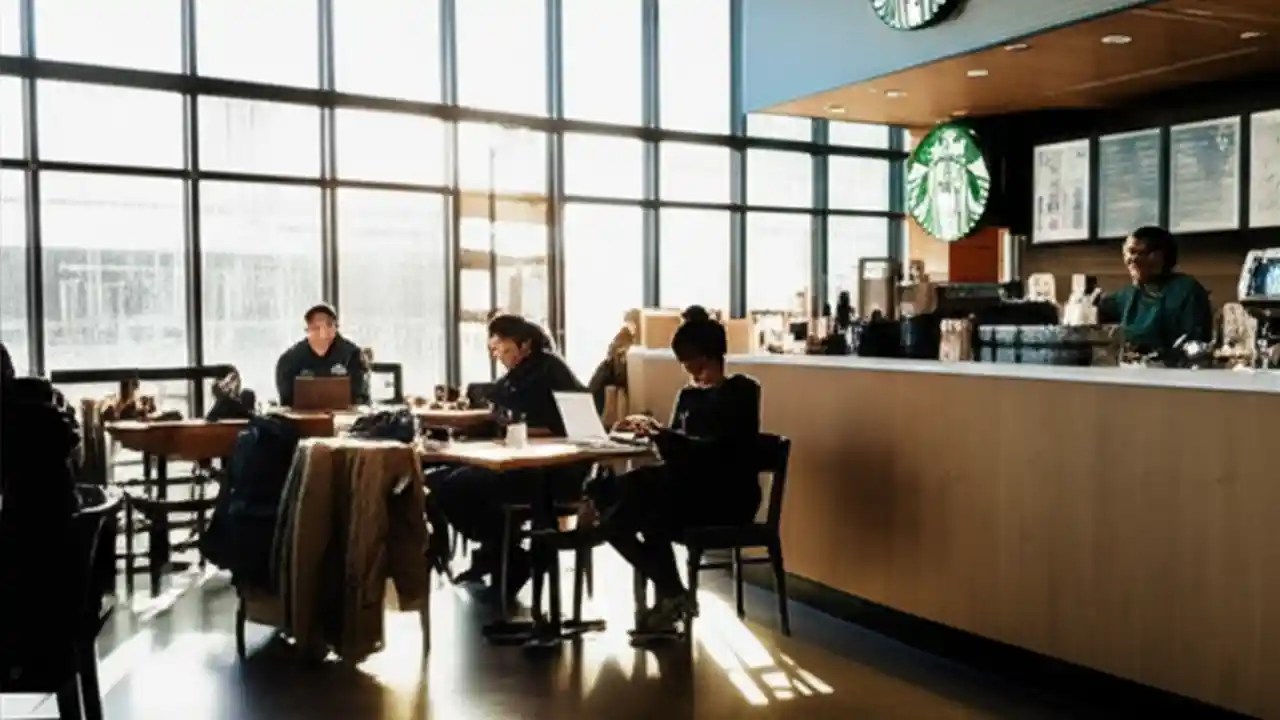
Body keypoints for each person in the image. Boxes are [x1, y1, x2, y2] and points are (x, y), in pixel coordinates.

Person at [582, 317, 761, 636]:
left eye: (691, 361)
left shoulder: (742, 392)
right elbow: (679, 451)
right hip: (685, 490)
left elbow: (723, 452)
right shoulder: (688, 396)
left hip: (726, 495)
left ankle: (672, 596)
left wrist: (665, 437)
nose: (688, 369)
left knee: (634, 502)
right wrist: (653, 435)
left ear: (707, 356)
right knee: (636, 513)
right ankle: (674, 594)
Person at [428, 314, 588, 596]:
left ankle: (504, 556)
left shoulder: (548, 370)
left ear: (525, 345)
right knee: (436, 482)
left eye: (504, 349)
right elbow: (497, 399)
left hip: (552, 472)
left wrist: (514, 429)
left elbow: (565, 428)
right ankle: (500, 552)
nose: (499, 357)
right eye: (495, 350)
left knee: (457, 486)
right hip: (521, 464)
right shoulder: (520, 372)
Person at [1099, 226, 1212, 363]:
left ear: (1159, 256)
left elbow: (1195, 343)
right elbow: (1099, 310)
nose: (1131, 259)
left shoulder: (1186, 290)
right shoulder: (1130, 294)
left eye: (1138, 252)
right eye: (1128, 253)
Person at [274, 303, 369, 407]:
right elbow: (286, 401)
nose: (322, 333)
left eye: (328, 325)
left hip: (345, 418)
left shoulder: (352, 355)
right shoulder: (290, 359)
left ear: (335, 328)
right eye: (315, 327)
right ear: (307, 329)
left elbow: (360, 398)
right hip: (302, 418)